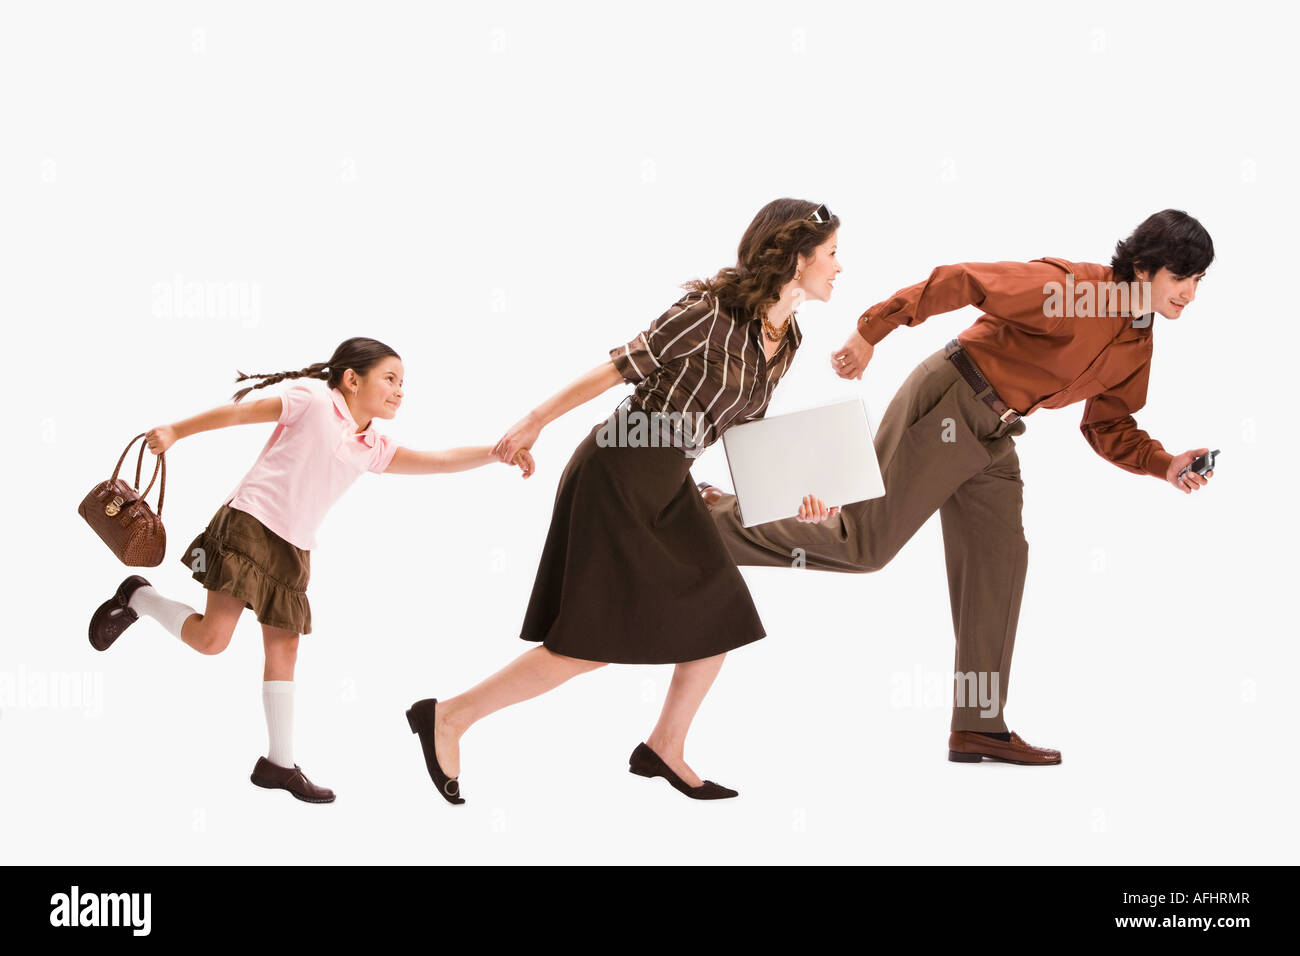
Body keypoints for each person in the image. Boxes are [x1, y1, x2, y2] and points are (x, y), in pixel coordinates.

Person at [699, 209, 1216, 765]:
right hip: (952, 399)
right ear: (1142, 269)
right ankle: (707, 520)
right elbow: (963, 280)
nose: (1188, 293)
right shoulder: (1069, 290)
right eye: (1179, 277)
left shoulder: (1137, 342)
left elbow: (1107, 425)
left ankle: (979, 727)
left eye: (1197, 281)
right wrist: (871, 330)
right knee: (864, 544)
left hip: (993, 433)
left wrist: (1165, 464)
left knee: (998, 562)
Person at [405, 198, 843, 804]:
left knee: (721, 616)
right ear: (796, 258)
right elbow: (618, 368)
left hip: (670, 480)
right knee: (589, 644)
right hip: (618, 471)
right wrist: (534, 422)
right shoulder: (710, 313)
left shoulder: (786, 336)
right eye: (831, 254)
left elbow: (743, 431)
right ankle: (448, 717)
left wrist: (791, 495)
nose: (839, 267)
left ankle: (665, 747)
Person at [87, 337, 533, 803]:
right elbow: (241, 414)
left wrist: (497, 452)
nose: (400, 390)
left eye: (403, 383)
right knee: (211, 640)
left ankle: (279, 764)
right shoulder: (314, 401)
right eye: (390, 379)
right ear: (351, 379)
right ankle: (138, 596)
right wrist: (177, 430)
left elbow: (439, 462)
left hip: (295, 550)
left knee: (285, 653)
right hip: (250, 525)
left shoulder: (372, 446)